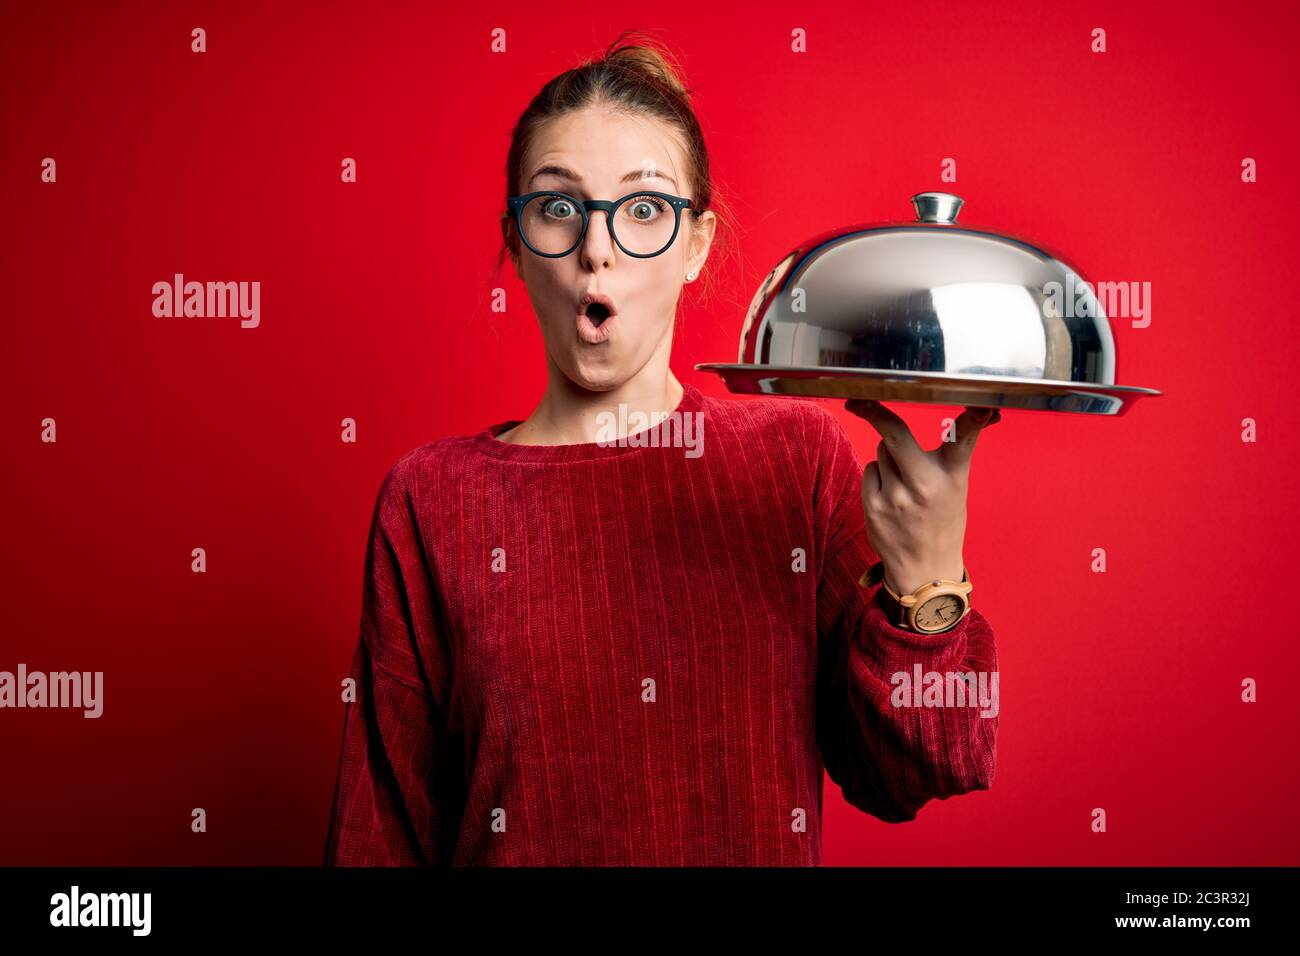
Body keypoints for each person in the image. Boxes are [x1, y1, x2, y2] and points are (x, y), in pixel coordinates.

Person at [323, 30, 1002, 867]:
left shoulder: (792, 462)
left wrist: (928, 579)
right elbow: (377, 838)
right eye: (558, 208)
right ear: (516, 243)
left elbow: (916, 769)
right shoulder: (430, 499)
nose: (597, 248)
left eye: (643, 209)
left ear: (696, 245)